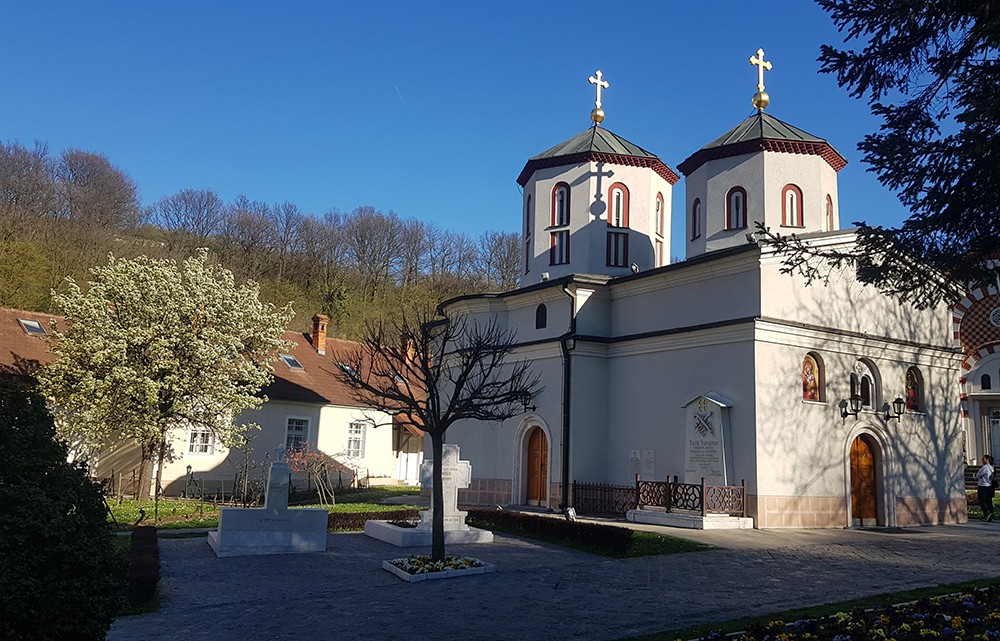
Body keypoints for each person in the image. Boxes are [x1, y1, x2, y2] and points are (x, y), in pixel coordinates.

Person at [977, 455, 995, 522]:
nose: (982, 460)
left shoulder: (984, 468)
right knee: (989, 501)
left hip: (983, 486)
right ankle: (990, 515)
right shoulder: (992, 467)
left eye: (983, 459)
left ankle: (987, 512)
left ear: (987, 460)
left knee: (982, 501)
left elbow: (978, 475)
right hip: (990, 486)